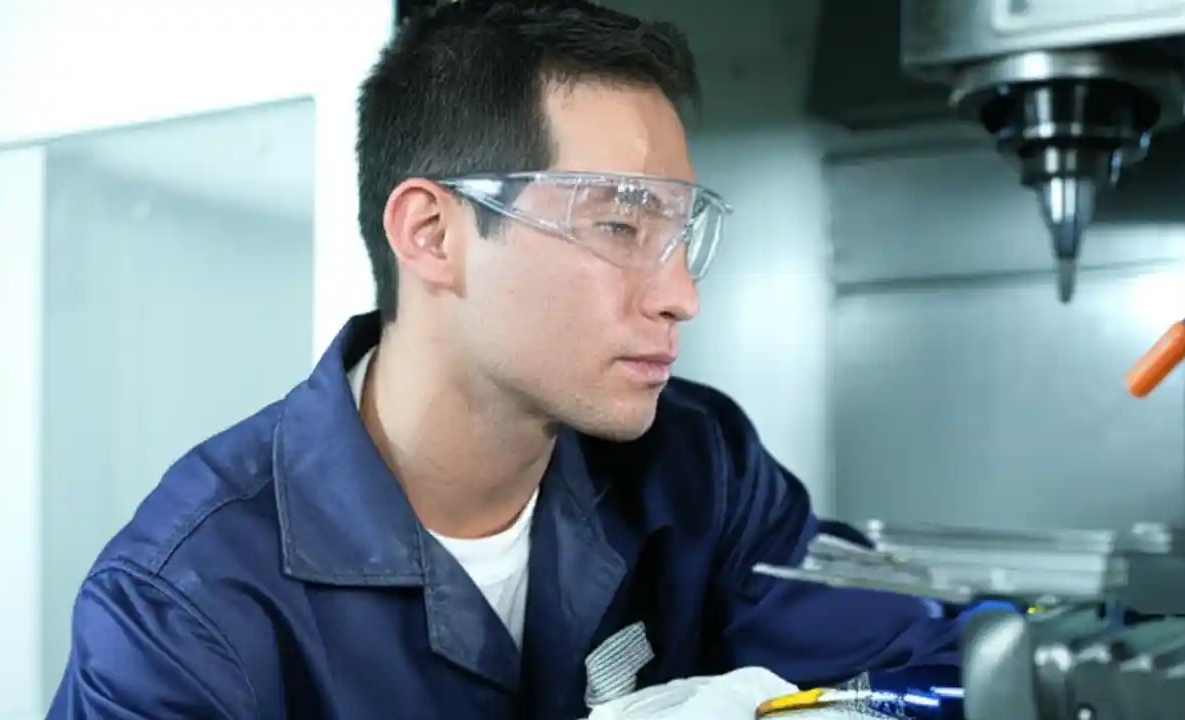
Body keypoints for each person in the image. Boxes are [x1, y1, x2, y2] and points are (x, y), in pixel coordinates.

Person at [49, 1, 958, 718]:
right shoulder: (181, 607)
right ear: (434, 234)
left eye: (680, 234)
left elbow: (949, 660)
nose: (681, 294)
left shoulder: (698, 463)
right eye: (618, 223)